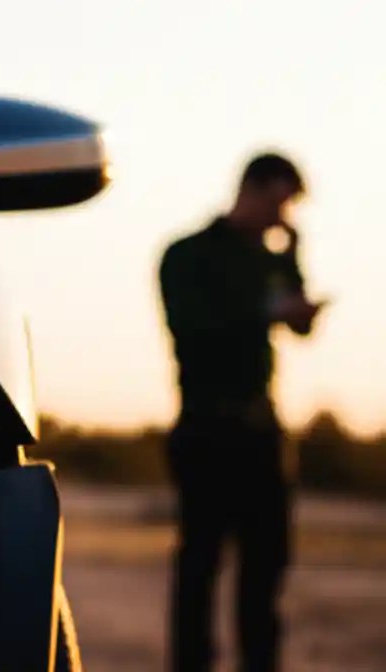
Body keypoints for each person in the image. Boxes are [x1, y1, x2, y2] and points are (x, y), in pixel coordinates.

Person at [157, 152, 326, 672]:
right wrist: (261, 313)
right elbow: (192, 328)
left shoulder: (269, 258)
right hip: (207, 427)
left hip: (263, 432)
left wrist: (293, 256)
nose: (282, 216)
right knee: (200, 566)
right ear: (251, 189)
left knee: (266, 571)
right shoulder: (188, 255)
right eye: (277, 202)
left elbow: (300, 327)